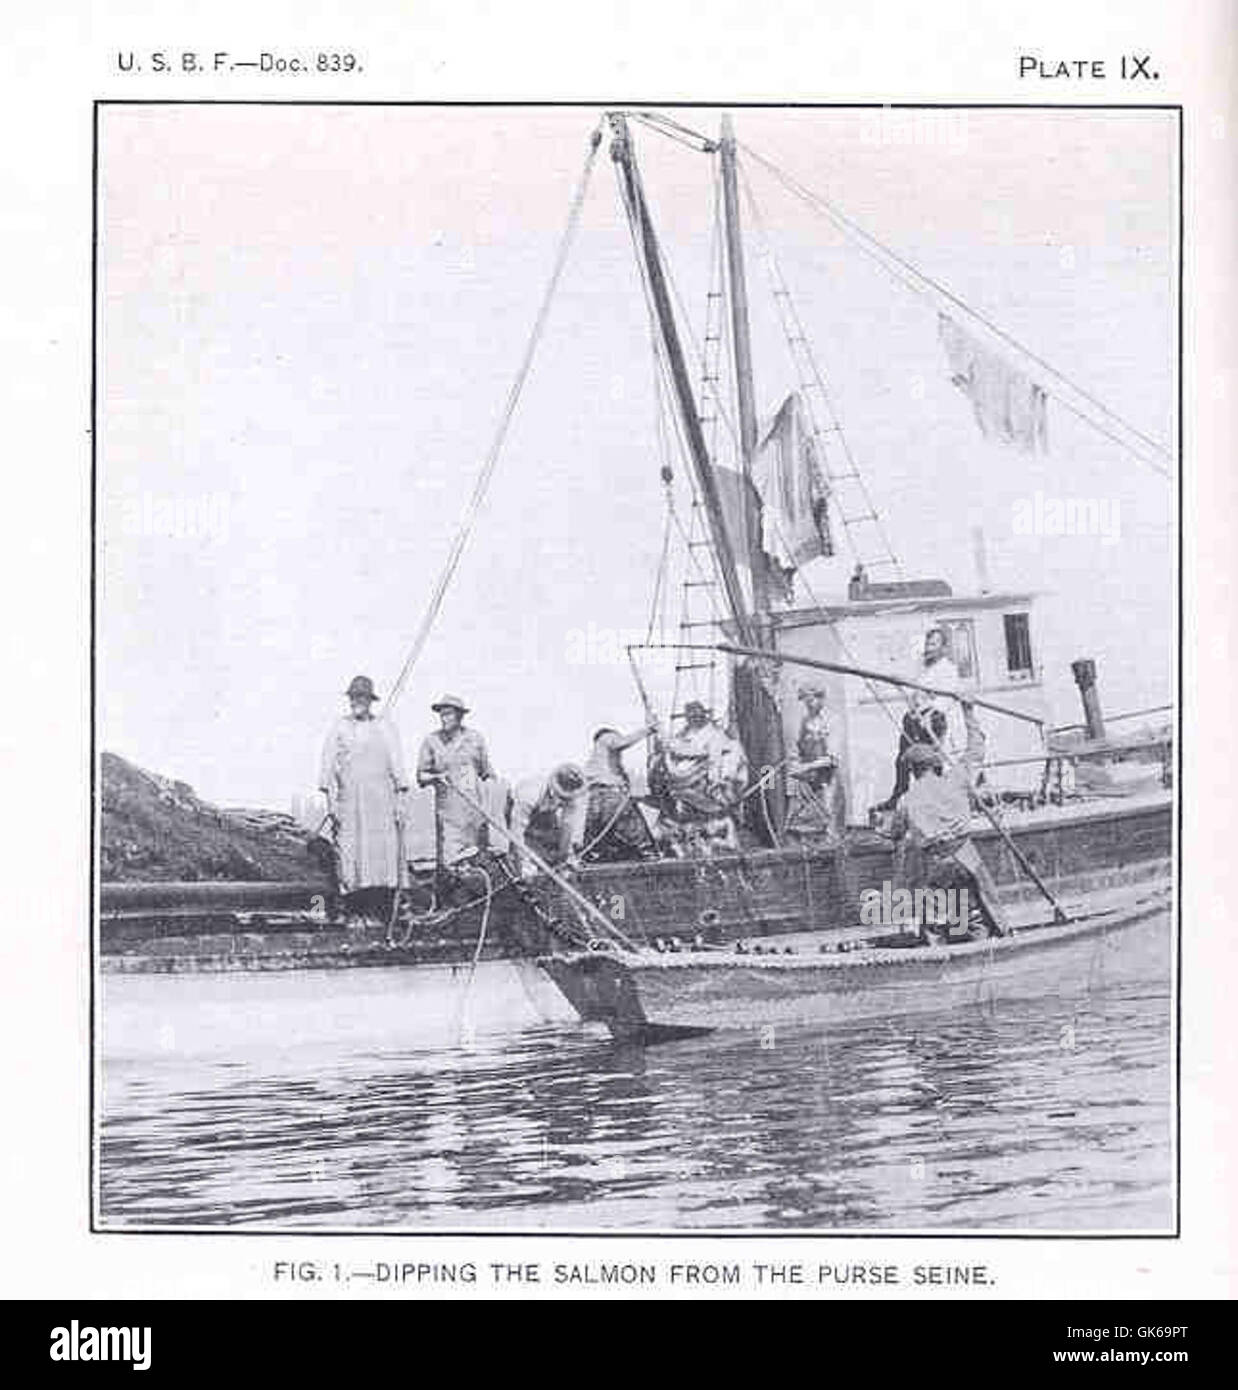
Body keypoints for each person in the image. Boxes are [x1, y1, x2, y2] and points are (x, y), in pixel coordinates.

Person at [891, 743, 1010, 939]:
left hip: (937, 861)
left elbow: (896, 833)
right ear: (935, 764)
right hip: (967, 856)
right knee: (977, 910)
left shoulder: (907, 799)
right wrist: (969, 713)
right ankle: (989, 939)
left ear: (912, 771)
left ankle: (939, 949)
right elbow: (976, 750)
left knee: (934, 915)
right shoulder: (957, 780)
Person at [318, 675, 410, 924]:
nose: (358, 702)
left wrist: (401, 803)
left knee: (383, 854)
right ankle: (354, 908)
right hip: (351, 803)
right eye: (354, 697)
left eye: (362, 697)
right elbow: (327, 770)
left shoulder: (385, 726)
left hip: (381, 802)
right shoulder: (340, 727)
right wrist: (332, 806)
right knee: (352, 853)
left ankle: (385, 908)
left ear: (371, 700)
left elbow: (398, 767)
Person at [416, 694, 494, 871]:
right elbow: (421, 776)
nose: (444, 719)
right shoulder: (432, 741)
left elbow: (486, 773)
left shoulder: (475, 739)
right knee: (452, 867)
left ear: (460, 716)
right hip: (448, 817)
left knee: (478, 866)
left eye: (449, 714)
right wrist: (436, 777)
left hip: (475, 814)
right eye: (442, 714)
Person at [582, 723, 657, 861]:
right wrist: (648, 730)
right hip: (610, 794)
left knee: (595, 836)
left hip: (596, 797)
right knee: (633, 826)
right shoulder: (606, 738)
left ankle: (589, 858)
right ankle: (648, 853)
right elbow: (621, 743)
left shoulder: (598, 759)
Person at [786, 682, 844, 840]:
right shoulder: (805, 721)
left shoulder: (833, 720)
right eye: (805, 702)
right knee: (802, 824)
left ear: (821, 699)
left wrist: (804, 768)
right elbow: (798, 750)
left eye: (810, 701)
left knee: (829, 822)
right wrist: (794, 763)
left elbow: (832, 759)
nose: (808, 706)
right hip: (807, 781)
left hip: (827, 780)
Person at [509, 764, 589, 876]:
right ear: (554, 788)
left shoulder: (571, 795)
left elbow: (568, 827)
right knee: (519, 861)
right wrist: (524, 863)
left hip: (543, 815)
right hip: (514, 812)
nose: (564, 801)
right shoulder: (530, 793)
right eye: (561, 797)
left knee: (550, 847)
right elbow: (517, 832)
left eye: (566, 798)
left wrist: (566, 858)